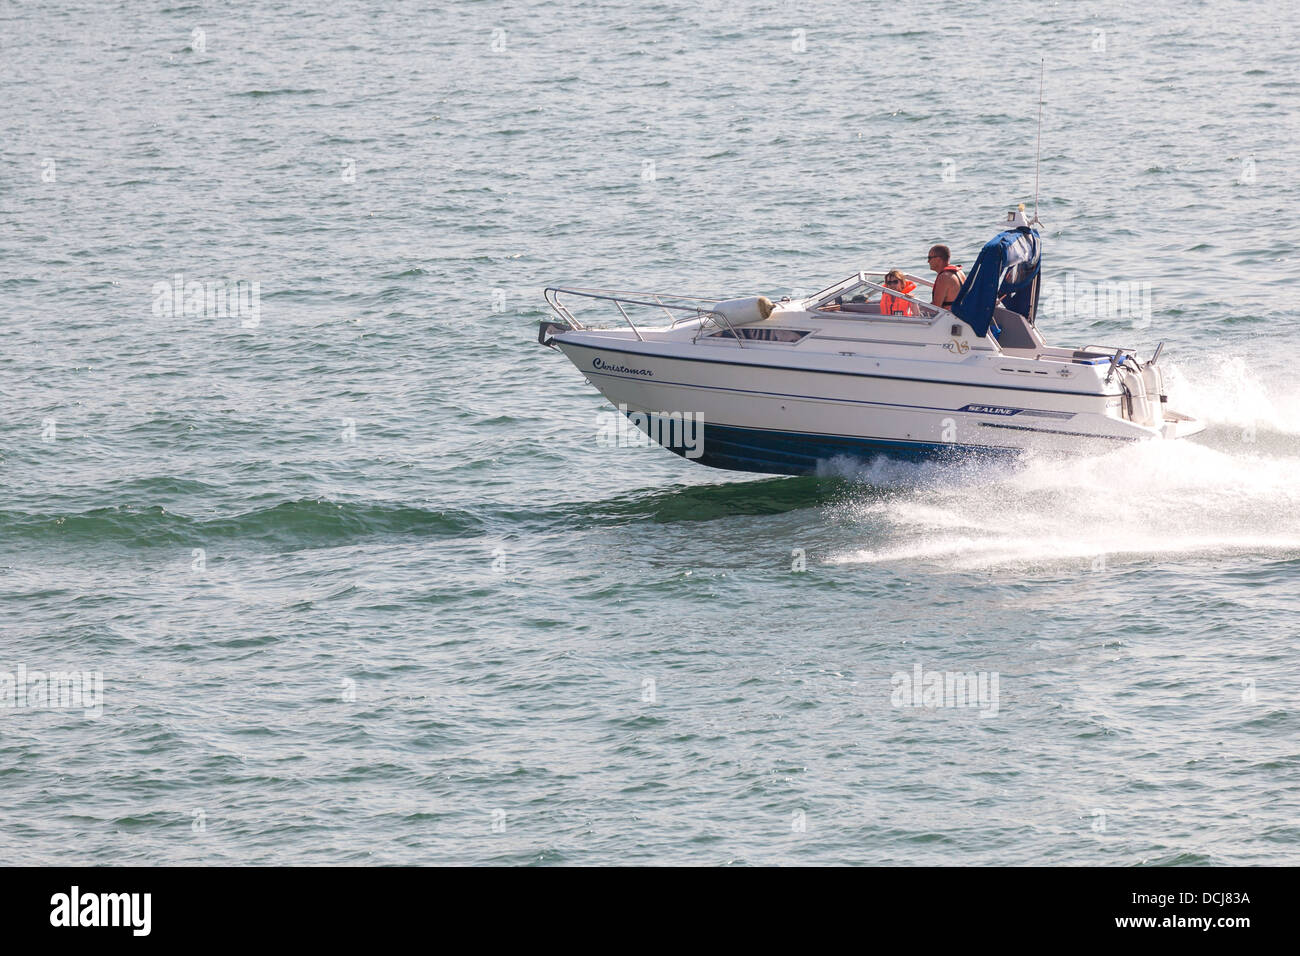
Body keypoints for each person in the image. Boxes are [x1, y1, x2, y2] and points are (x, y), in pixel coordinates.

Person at [927, 245, 966, 311]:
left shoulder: (944, 277)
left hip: (949, 318)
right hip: (961, 314)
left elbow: (935, 308)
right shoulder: (959, 272)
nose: (928, 261)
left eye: (929, 258)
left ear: (938, 259)